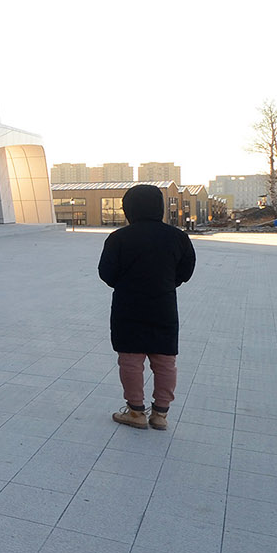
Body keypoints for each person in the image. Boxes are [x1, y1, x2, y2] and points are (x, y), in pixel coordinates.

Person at [98, 184, 196, 430]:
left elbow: (106, 273)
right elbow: (186, 270)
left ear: (128, 208)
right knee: (165, 361)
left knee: (131, 360)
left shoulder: (118, 238)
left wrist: (124, 283)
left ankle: (136, 411)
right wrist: (167, 283)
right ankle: (160, 414)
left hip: (127, 307)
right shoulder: (178, 237)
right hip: (163, 305)